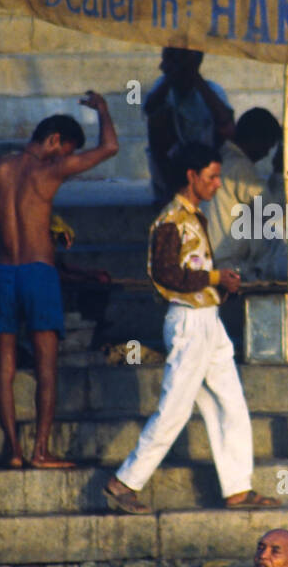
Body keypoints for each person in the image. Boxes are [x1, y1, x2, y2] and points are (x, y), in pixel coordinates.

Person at [103, 142, 277, 514]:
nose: (217, 184)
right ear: (192, 177)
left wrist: (219, 285)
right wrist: (215, 276)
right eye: (212, 177)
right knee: (175, 410)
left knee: (230, 403)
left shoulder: (195, 216)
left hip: (208, 320)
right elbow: (165, 275)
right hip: (188, 322)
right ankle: (124, 482)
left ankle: (238, 489)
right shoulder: (170, 221)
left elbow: (191, 271)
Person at [0, 93, 119, 468]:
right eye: (64, 151)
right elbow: (110, 147)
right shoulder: (50, 171)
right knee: (46, 366)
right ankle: (41, 451)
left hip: (2, 273)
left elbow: (18, 210)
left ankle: (13, 451)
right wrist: (103, 110)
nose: (64, 160)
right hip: (39, 274)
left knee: (4, 368)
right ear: (54, 140)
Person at [143, 47, 234, 203]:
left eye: (168, 61)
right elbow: (150, 109)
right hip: (170, 170)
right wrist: (171, 75)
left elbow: (227, 124)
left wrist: (193, 75)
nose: (162, 66)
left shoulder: (212, 90)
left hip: (203, 164)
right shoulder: (162, 88)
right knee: (159, 118)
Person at [200, 106, 282, 273]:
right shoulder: (241, 168)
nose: (266, 154)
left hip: (213, 257)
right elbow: (271, 212)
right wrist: (280, 174)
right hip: (228, 263)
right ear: (257, 139)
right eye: (267, 146)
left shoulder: (224, 158)